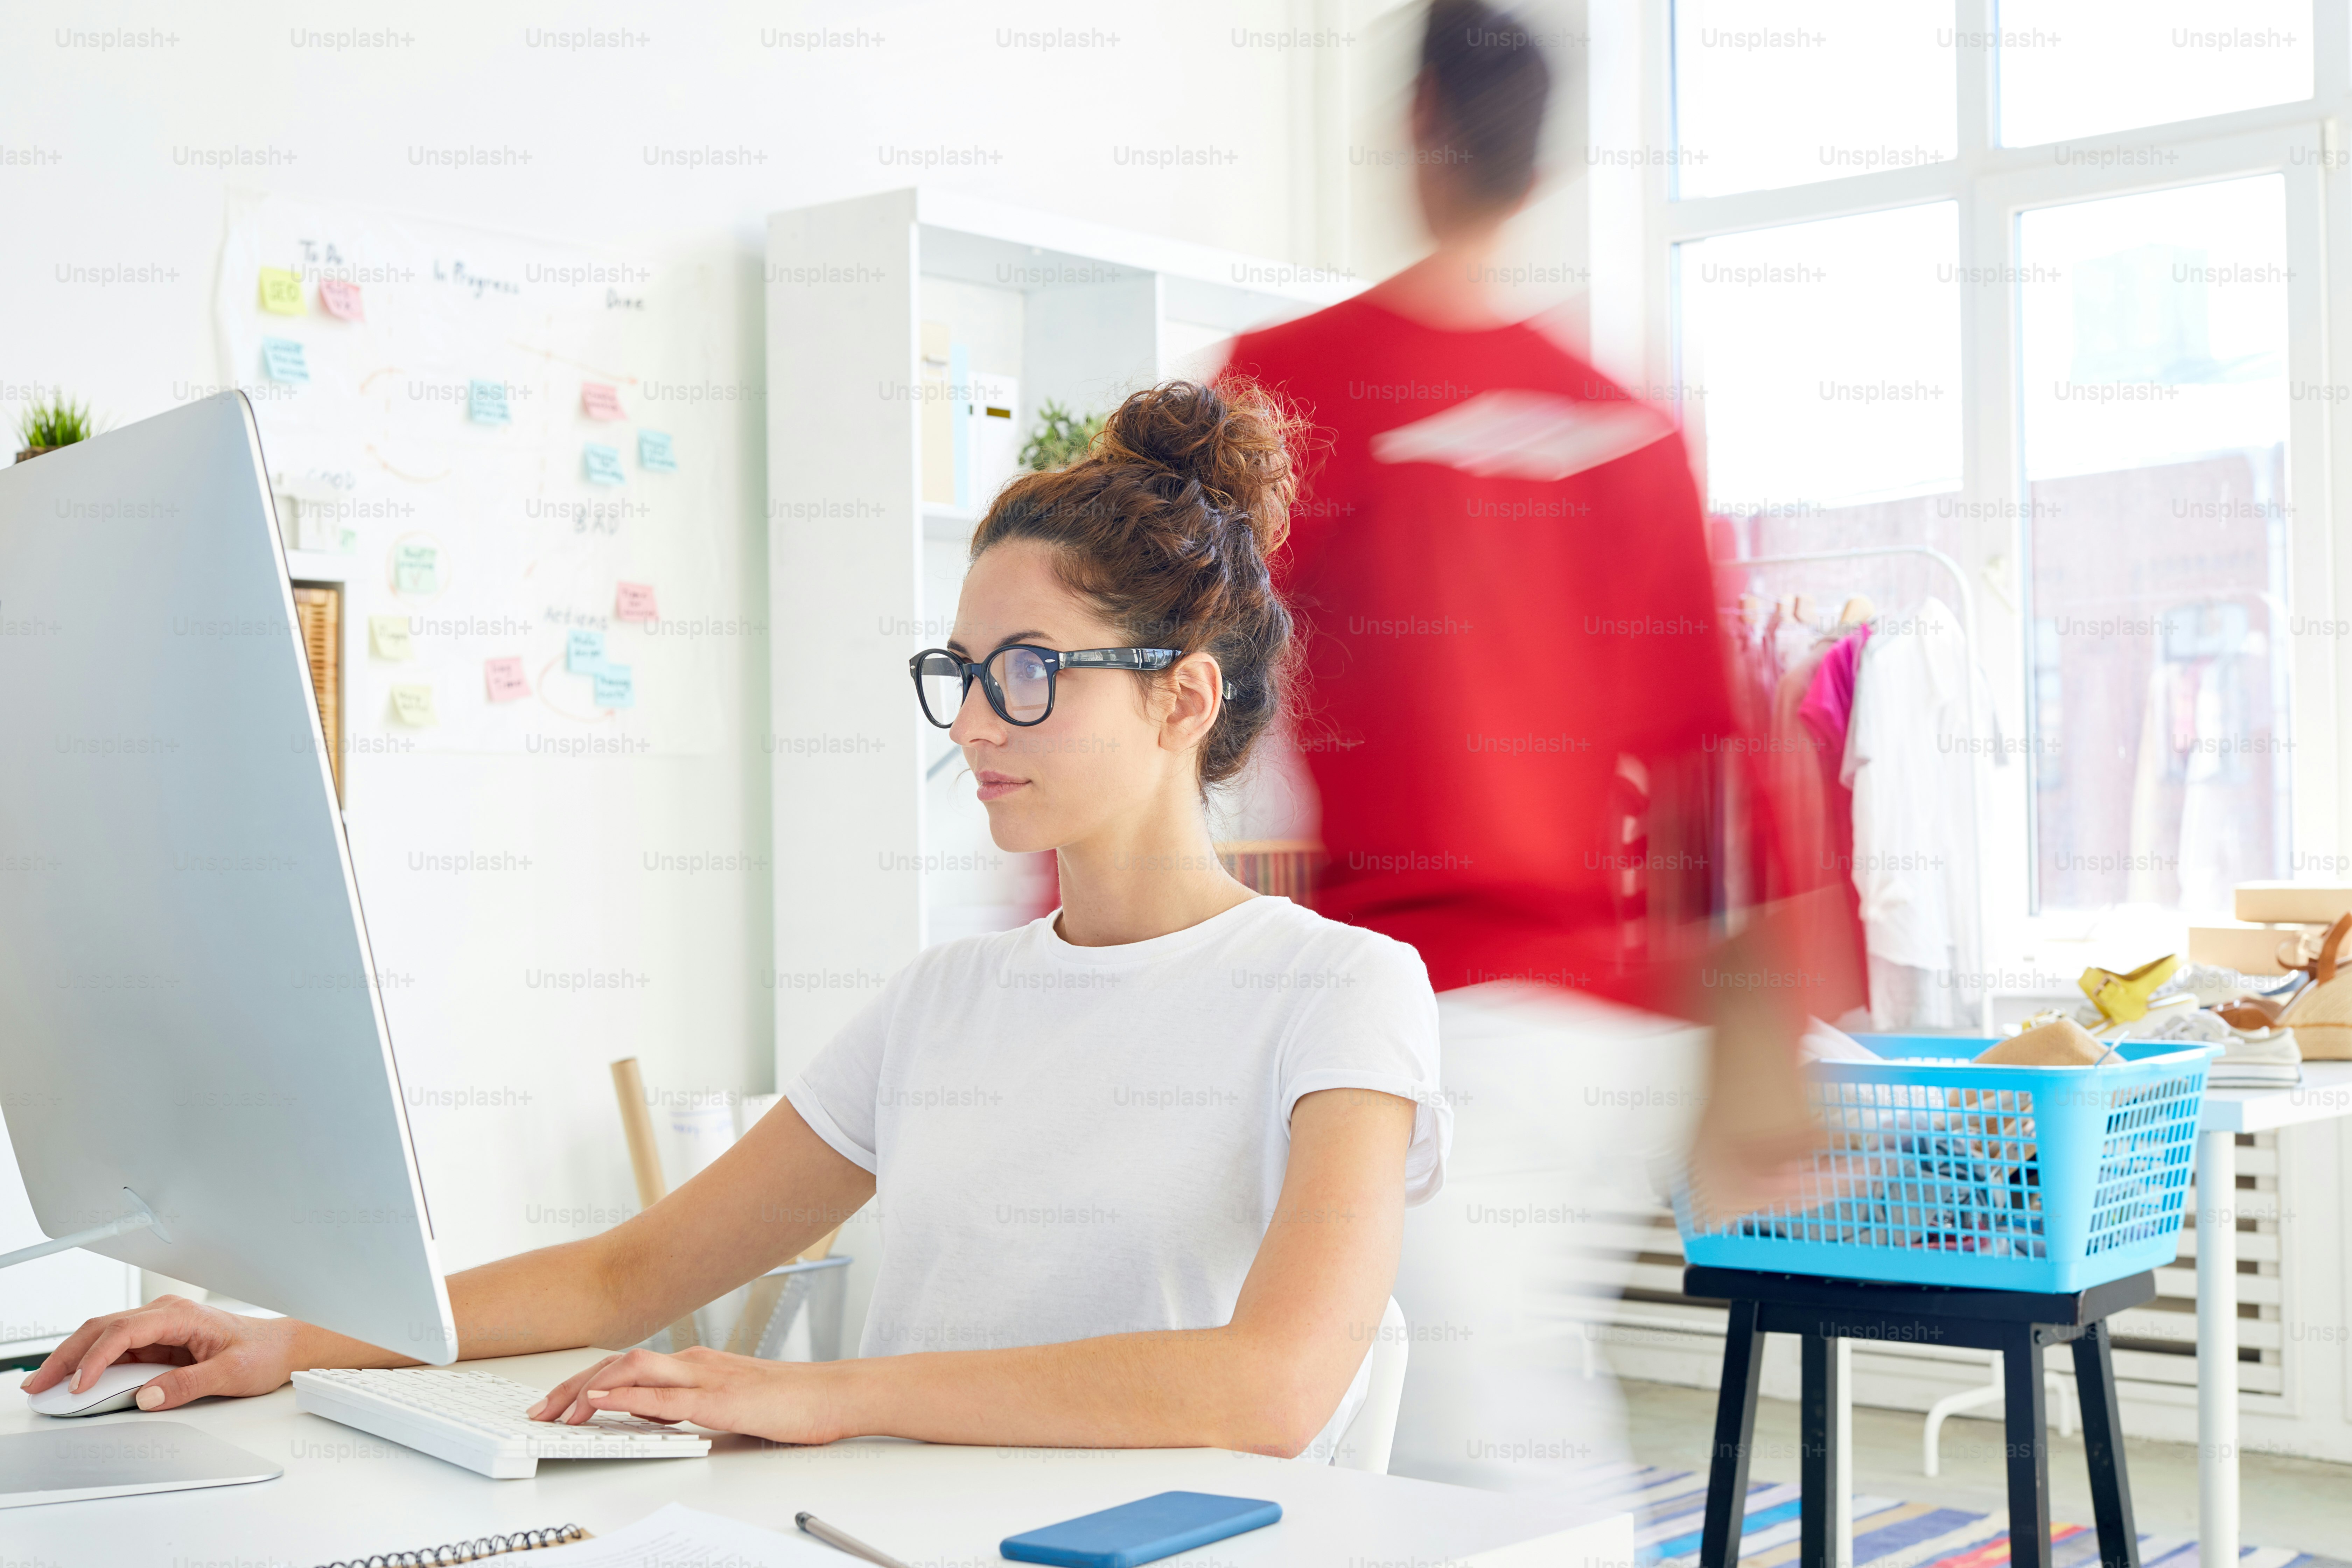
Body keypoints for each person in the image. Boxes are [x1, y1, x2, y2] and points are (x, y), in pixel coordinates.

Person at [22, 382, 1449, 1464]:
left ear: (1182, 696)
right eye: (957, 672)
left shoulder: (1342, 992)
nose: (970, 722)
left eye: (1026, 673)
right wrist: (291, 1334)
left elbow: (1273, 1386)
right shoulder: (945, 1000)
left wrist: (826, 1397)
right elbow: (628, 1271)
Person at [1219, 0, 1818, 1492]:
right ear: (1539, 162)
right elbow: (1726, 757)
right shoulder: (1629, 425)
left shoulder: (1298, 381)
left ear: (1418, 128)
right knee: (1426, 1398)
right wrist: (1765, 1030)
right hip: (1614, 1030)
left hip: (1431, 1015)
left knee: (1476, 1435)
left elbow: (1190, 662)